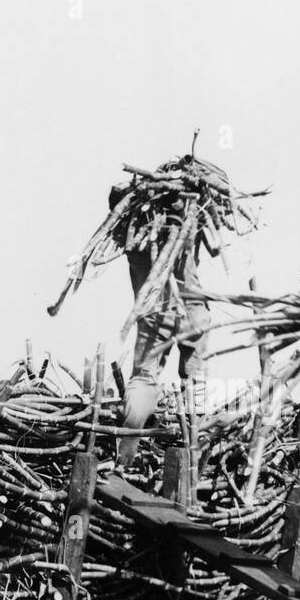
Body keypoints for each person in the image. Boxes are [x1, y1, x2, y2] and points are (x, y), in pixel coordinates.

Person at [114, 164, 212, 468]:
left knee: (144, 380)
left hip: (156, 315)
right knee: (195, 382)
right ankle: (193, 459)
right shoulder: (185, 219)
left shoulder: (131, 240)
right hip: (193, 313)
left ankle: (124, 459)